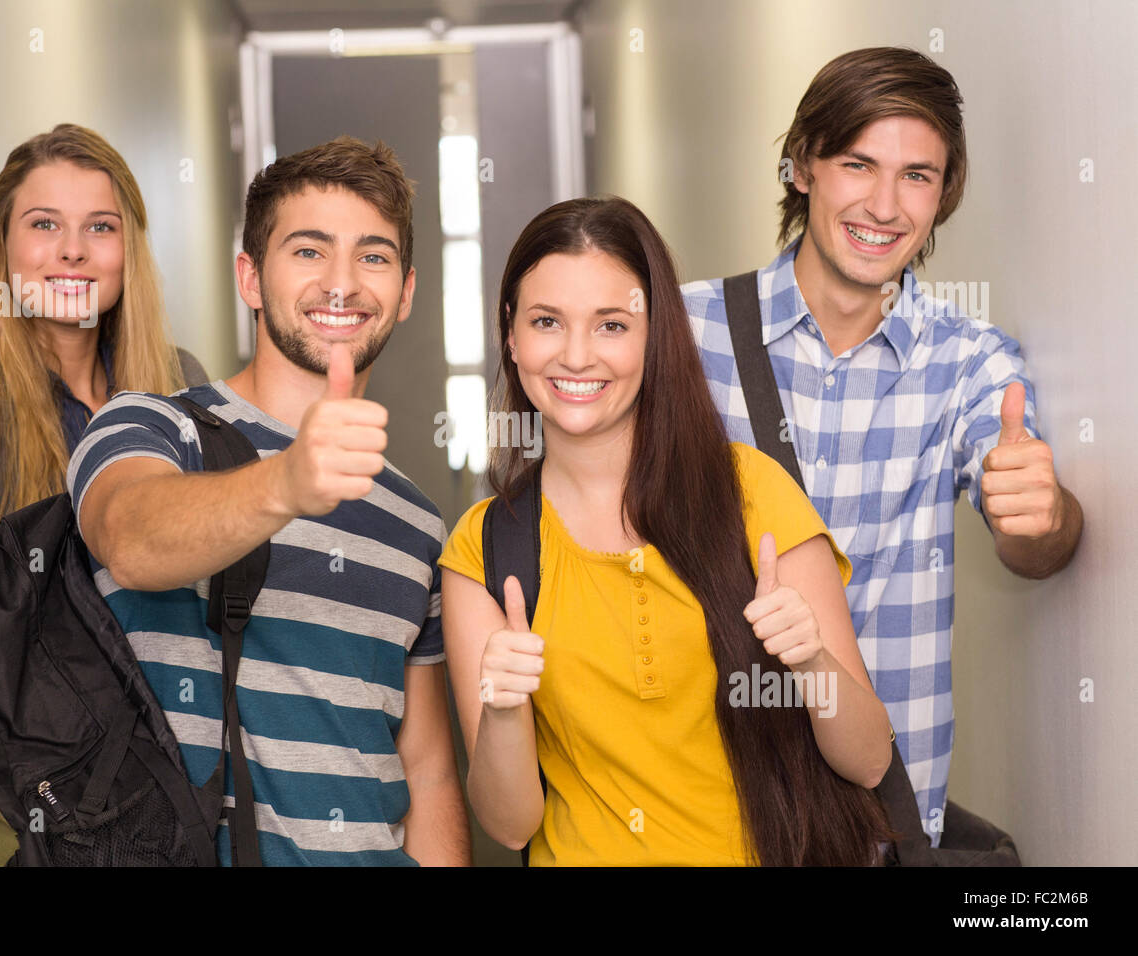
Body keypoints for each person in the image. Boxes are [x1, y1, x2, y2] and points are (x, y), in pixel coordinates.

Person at [681, 47, 1084, 846]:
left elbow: (1035, 547)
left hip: (883, 821)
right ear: (802, 167)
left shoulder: (972, 364)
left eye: (918, 176)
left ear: (944, 195)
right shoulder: (686, 336)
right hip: (702, 803)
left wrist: (1042, 517)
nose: (885, 205)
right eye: (858, 163)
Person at [438, 196, 894, 865]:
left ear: (656, 336)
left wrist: (809, 661)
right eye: (546, 322)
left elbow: (870, 761)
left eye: (612, 325)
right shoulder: (484, 549)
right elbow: (509, 825)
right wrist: (504, 711)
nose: (576, 356)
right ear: (512, 335)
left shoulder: (754, 493)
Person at [68, 136, 471, 866]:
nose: (343, 284)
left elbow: (429, 771)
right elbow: (128, 536)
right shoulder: (150, 425)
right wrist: (288, 483)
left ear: (407, 293)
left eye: (373, 256)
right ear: (250, 278)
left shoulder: (418, 524)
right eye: (309, 252)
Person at [0, 123, 206, 585]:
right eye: (44, 224)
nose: (72, 250)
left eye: (100, 227)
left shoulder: (180, 375)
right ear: (4, 240)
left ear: (130, 248)